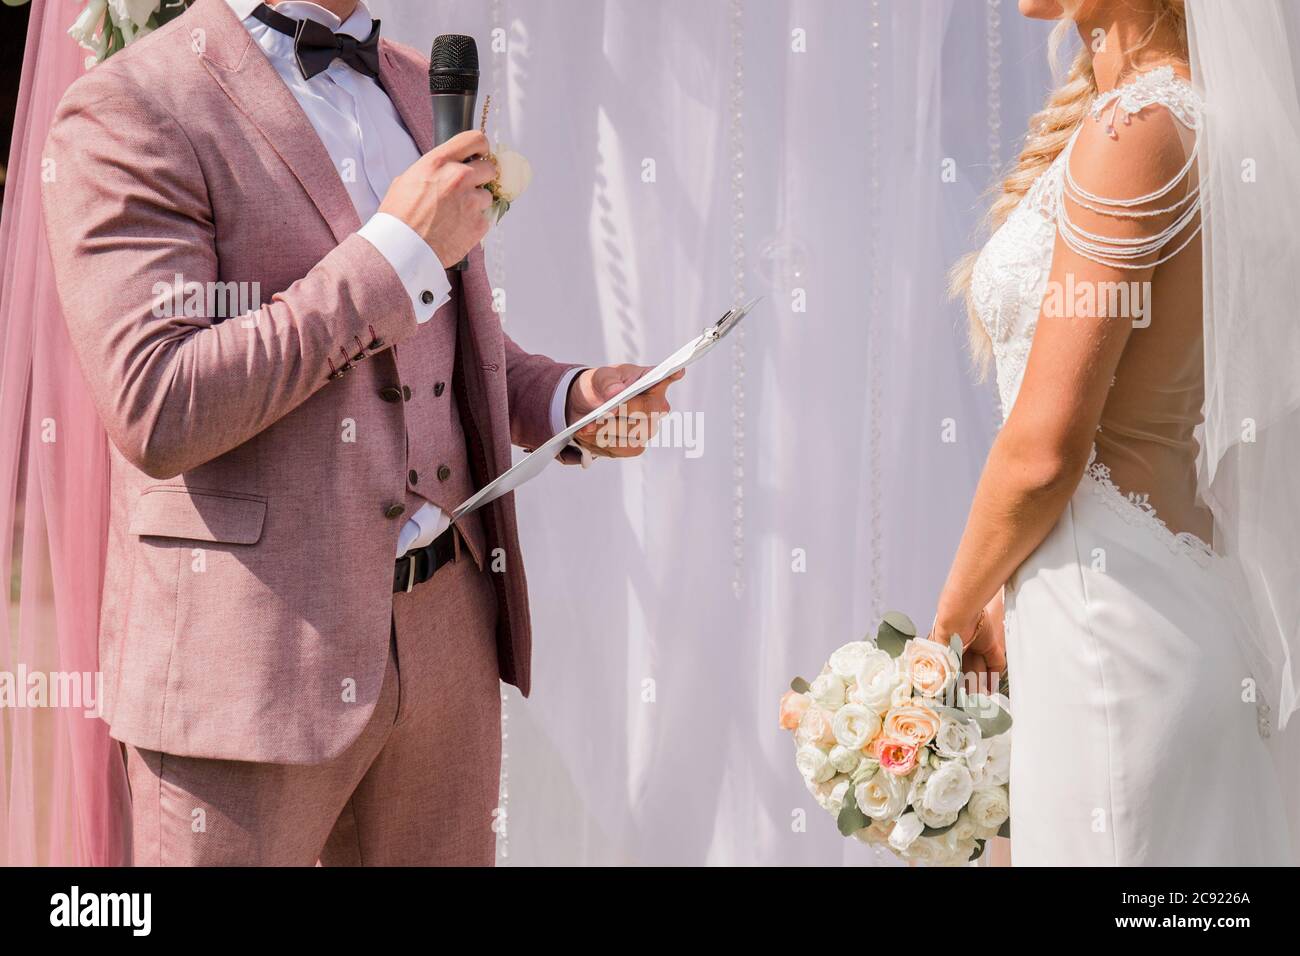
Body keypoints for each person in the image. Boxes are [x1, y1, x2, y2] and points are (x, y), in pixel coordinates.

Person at [40, 0, 679, 866]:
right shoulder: (134, 103)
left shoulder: (419, 82)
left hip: (446, 639)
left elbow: (440, 334)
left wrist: (570, 397)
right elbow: (159, 402)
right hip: (249, 662)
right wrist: (394, 252)